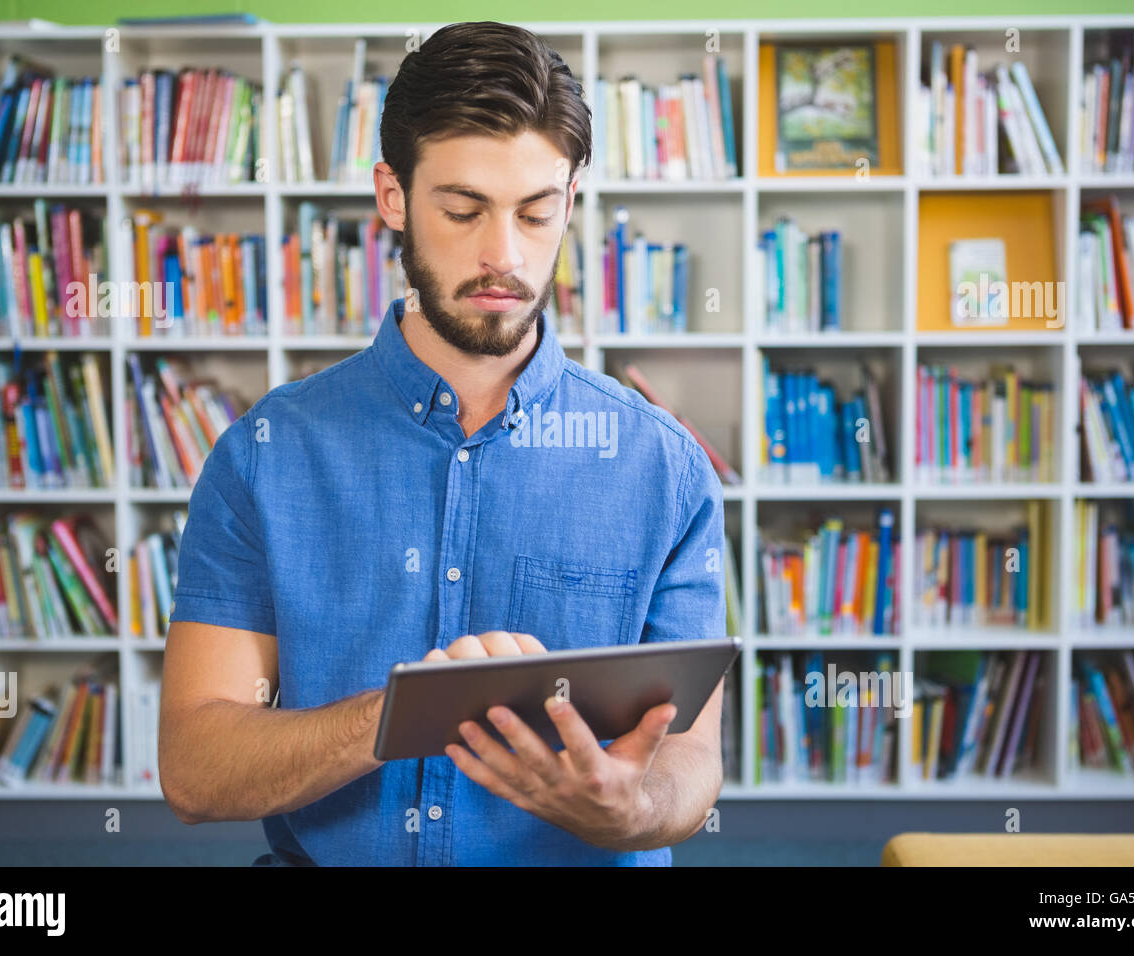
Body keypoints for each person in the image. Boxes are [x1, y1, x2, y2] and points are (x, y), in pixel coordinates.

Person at [159, 19, 727, 866]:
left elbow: (690, 757)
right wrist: (404, 712)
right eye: (463, 210)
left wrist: (635, 809)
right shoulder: (264, 456)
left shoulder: (665, 468)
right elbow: (197, 769)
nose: (503, 256)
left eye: (537, 213)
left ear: (573, 197)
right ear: (392, 196)